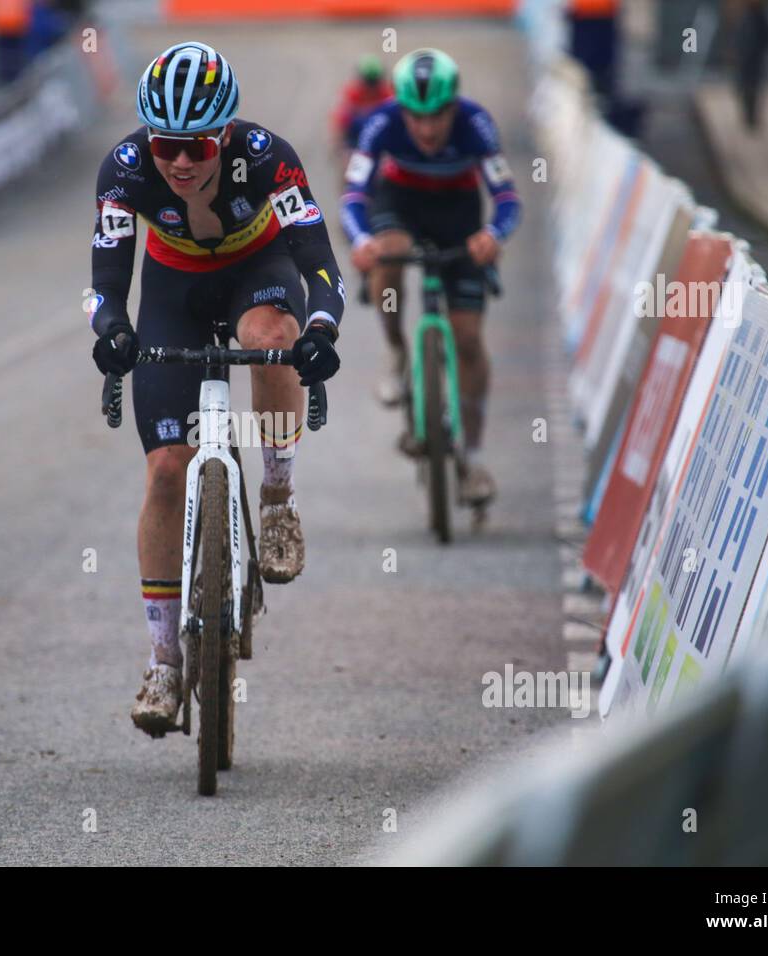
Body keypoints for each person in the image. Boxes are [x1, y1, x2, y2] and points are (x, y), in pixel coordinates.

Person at [88, 41, 345, 736]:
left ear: (224, 135)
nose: (178, 162)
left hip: (256, 269)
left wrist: (320, 328)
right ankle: (164, 661)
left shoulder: (268, 157)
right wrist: (111, 325)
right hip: (172, 291)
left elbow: (321, 262)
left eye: (196, 147)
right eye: (166, 143)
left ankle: (278, 499)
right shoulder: (126, 167)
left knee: (270, 338)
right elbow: (108, 281)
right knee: (167, 470)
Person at [340, 48, 520, 508]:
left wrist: (493, 233)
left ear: (454, 106)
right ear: (402, 109)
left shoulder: (476, 125)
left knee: (468, 340)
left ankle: (474, 459)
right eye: (415, 117)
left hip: (459, 215)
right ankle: (396, 348)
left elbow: (507, 199)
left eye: (437, 116)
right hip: (401, 205)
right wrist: (362, 240)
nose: (426, 129)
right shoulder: (381, 123)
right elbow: (353, 196)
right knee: (390, 253)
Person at [330, 54, 392, 160]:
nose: (371, 88)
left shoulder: (386, 94)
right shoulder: (351, 95)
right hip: (354, 142)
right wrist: (340, 148)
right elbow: (339, 123)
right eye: (368, 83)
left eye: (374, 83)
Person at [734, 0, 768, 132]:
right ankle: (748, 117)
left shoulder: (762, 17)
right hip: (745, 60)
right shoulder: (745, 16)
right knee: (745, 89)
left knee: (754, 89)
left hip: (756, 60)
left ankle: (752, 117)